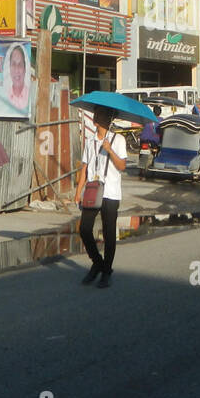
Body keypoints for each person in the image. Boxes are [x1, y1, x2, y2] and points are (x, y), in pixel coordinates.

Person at [76, 106, 128, 288]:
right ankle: (97, 262)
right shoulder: (90, 141)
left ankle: (106, 271)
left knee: (108, 233)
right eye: (96, 115)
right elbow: (84, 167)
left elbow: (122, 166)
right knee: (84, 229)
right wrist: (78, 192)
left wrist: (110, 150)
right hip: (92, 190)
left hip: (111, 192)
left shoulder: (118, 139)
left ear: (104, 119)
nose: (96, 118)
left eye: (99, 115)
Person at [5, 46, 30, 111]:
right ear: (9, 68)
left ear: (25, 69)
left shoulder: (30, 96)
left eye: (20, 64)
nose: (16, 70)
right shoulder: (5, 96)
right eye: (13, 64)